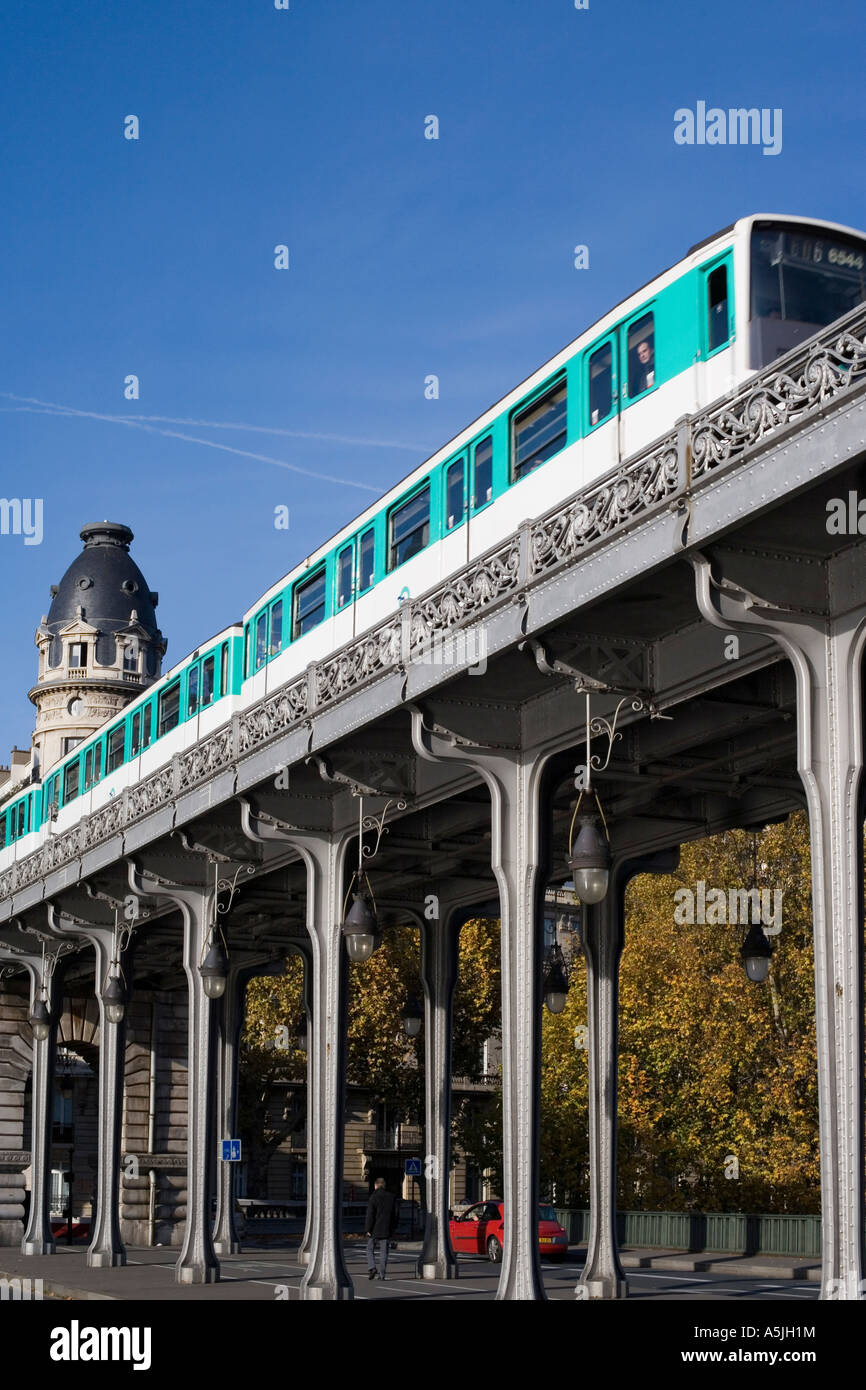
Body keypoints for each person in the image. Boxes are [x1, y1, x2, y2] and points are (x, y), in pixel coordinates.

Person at [365, 1176, 399, 1281]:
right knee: (384, 1252)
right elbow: (396, 1214)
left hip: (374, 1229)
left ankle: (372, 1268)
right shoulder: (391, 1197)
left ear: (376, 1186)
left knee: (370, 1249)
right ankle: (382, 1275)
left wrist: (368, 1229)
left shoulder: (373, 1197)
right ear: (384, 1186)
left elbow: (370, 1215)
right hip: (387, 1229)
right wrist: (394, 1227)